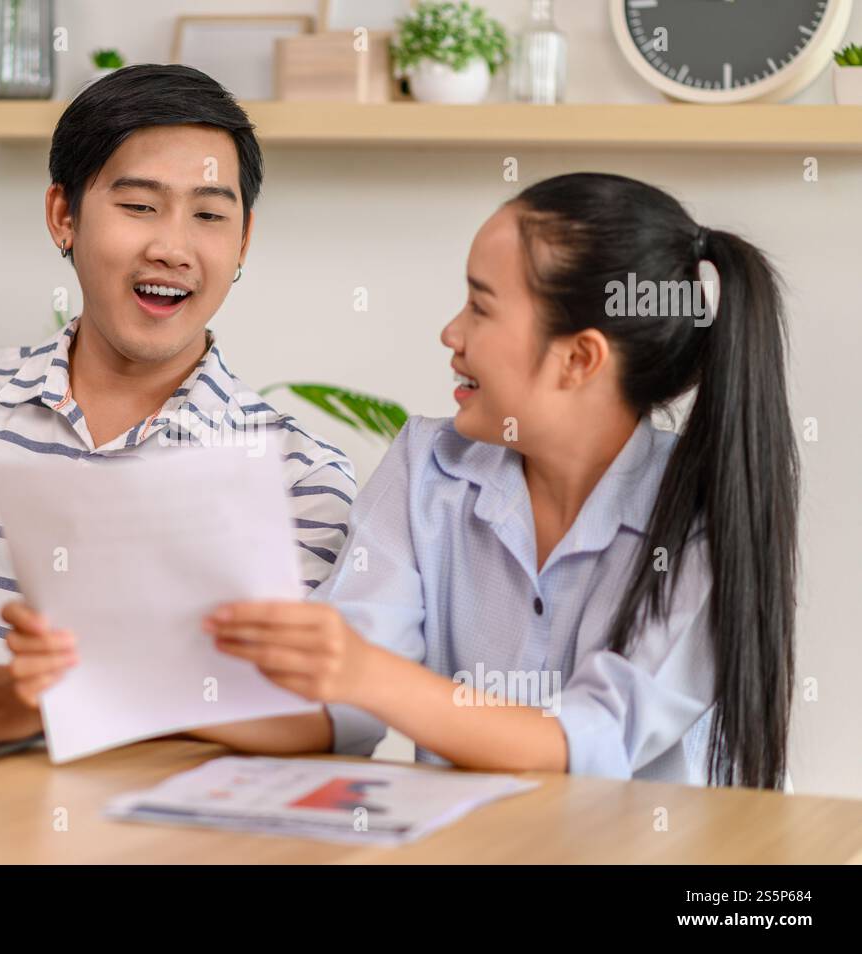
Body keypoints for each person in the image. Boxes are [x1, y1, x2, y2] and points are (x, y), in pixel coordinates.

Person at [41, 171, 797, 788]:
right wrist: (107, 679)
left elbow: (588, 741)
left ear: (579, 359)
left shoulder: (701, 515)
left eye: (480, 305)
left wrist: (364, 670)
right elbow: (341, 711)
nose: (451, 333)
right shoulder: (427, 469)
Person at [0, 65, 355, 749]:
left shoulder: (299, 477)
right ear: (63, 217)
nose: (173, 247)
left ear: (243, 242)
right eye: (139, 206)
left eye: (211, 215)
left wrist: (40, 698)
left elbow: (309, 720)